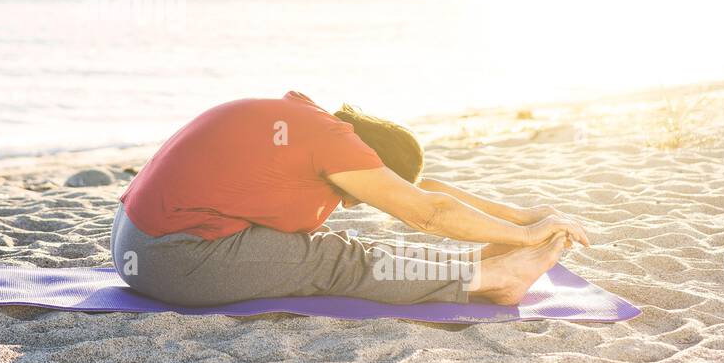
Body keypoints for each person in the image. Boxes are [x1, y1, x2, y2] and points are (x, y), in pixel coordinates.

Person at [111, 91, 589, 307]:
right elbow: (426, 212)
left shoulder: (313, 127)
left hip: (136, 239)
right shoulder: (336, 146)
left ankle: (476, 262)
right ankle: (491, 278)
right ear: (371, 156)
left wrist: (519, 217)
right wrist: (525, 236)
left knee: (337, 251)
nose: (351, 204)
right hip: (173, 258)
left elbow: (424, 192)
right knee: (337, 259)